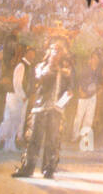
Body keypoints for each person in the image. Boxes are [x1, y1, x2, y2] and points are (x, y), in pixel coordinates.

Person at [12, 40, 73, 179]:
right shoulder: (41, 66)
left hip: (56, 109)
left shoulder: (66, 71)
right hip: (41, 107)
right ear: (49, 51)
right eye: (54, 49)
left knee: (53, 140)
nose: (57, 52)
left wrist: (69, 93)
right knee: (34, 139)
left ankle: (49, 168)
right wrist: (52, 65)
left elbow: (70, 86)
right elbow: (41, 78)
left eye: (59, 50)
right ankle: (28, 167)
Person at [0, 45, 35, 152]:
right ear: (26, 54)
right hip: (14, 96)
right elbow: (17, 83)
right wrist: (23, 96)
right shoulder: (21, 65)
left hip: (21, 97)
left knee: (16, 121)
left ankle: (9, 144)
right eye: (30, 53)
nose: (32, 56)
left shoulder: (28, 66)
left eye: (33, 54)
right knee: (8, 120)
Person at [73, 52, 101, 151]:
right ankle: (75, 135)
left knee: (89, 118)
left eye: (97, 58)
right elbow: (79, 81)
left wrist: (96, 91)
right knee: (79, 116)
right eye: (94, 58)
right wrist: (81, 92)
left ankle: (84, 138)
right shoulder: (85, 70)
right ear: (90, 60)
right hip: (83, 95)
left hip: (93, 96)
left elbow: (99, 83)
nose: (95, 60)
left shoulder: (98, 71)